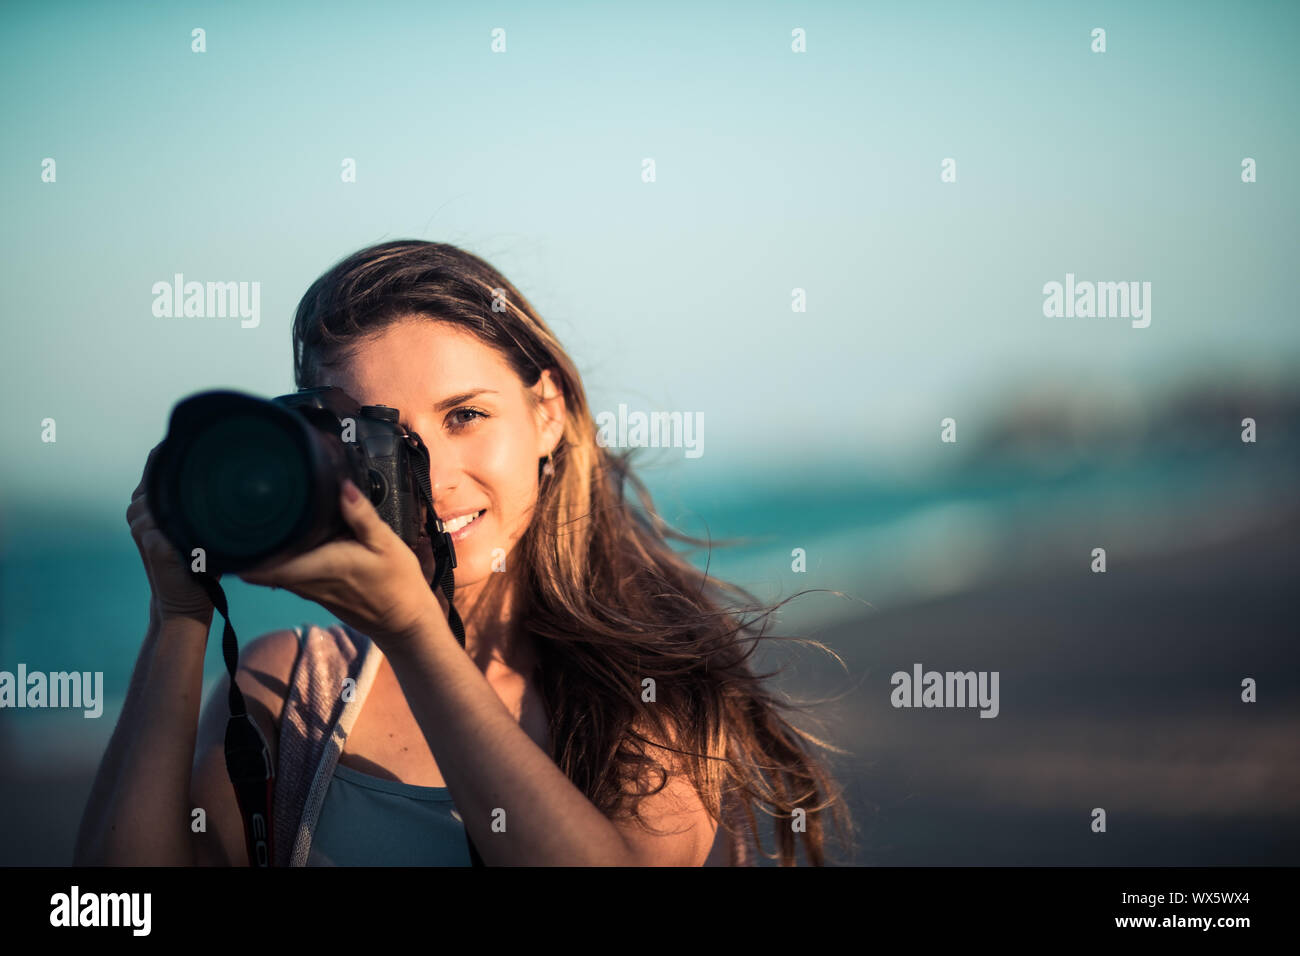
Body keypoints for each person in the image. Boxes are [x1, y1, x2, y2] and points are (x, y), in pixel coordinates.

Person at [74, 240, 852, 866]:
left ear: (545, 415)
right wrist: (179, 615)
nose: (436, 477)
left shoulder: (643, 687)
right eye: (382, 434)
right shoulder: (293, 689)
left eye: (465, 415)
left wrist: (417, 636)